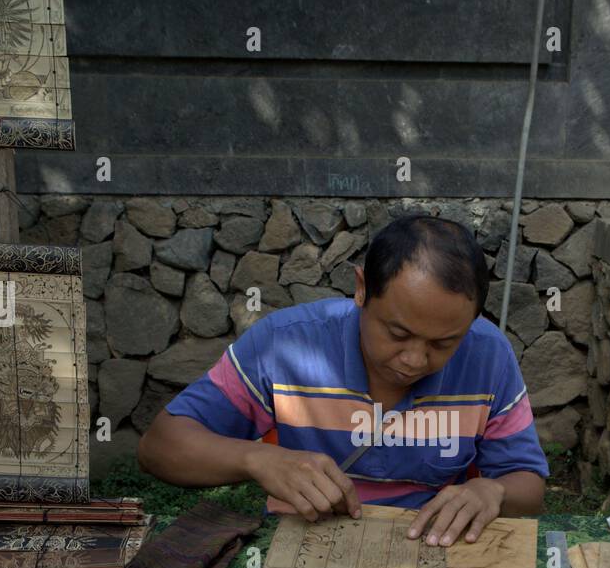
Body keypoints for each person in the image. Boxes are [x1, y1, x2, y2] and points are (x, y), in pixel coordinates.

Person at [138, 213, 548, 547]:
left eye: (445, 342)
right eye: (398, 334)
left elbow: (527, 483)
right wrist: (257, 458)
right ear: (361, 289)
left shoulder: (487, 354)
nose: (414, 360)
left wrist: (493, 492)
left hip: (432, 546)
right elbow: (161, 447)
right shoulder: (284, 344)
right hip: (304, 547)